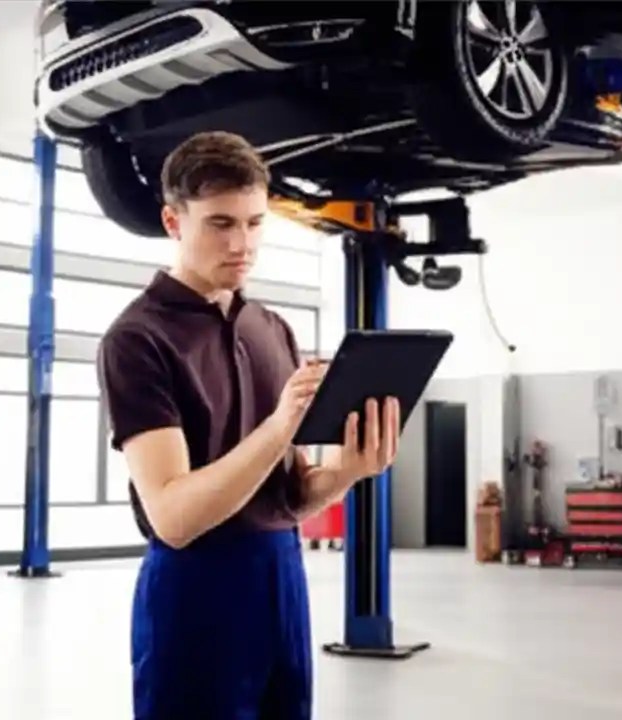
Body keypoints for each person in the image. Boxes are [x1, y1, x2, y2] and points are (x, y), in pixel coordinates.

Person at [97, 130, 403, 720]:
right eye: (220, 223)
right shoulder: (137, 340)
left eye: (255, 223)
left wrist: (347, 473)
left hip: (282, 577)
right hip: (195, 589)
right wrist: (282, 424)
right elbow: (174, 516)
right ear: (172, 221)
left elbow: (290, 494)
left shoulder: (273, 330)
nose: (243, 243)